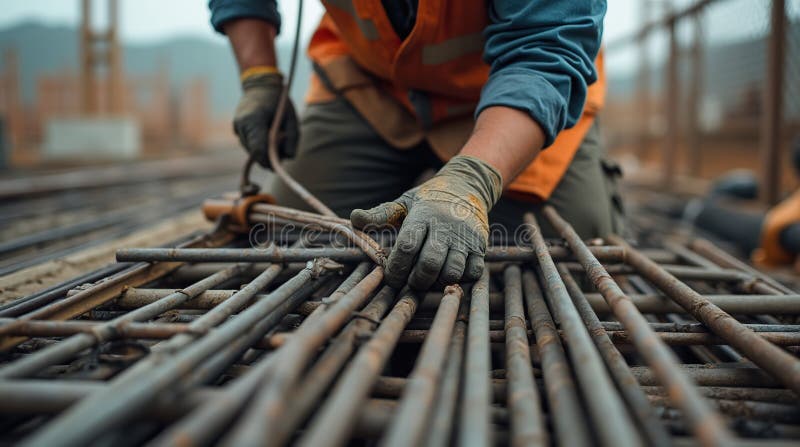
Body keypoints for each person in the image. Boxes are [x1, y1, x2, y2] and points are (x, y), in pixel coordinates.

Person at [209, 1, 621, 290]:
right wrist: (259, 75)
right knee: (285, 240)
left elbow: (545, 50)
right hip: (371, 84)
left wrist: (472, 181)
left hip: (513, 97)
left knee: (565, 263)